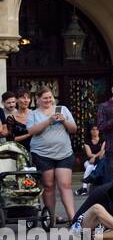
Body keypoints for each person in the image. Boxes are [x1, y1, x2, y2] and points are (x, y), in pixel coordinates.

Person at [28, 87, 78, 224]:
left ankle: (73, 218)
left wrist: (63, 121)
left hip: (64, 153)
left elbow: (74, 129)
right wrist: (48, 121)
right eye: (45, 98)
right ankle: (51, 218)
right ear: (37, 100)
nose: (48, 100)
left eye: (50, 97)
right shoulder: (33, 114)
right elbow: (32, 131)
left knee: (65, 185)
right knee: (49, 185)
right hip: (42, 154)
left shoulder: (62, 109)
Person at [80, 124, 106, 192]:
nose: (95, 131)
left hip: (98, 160)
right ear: (90, 131)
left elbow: (102, 151)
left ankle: (84, 188)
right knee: (89, 166)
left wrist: (94, 156)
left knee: (92, 168)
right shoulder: (87, 141)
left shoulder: (103, 140)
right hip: (89, 160)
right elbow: (89, 154)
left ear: (99, 131)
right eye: (93, 129)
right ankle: (85, 187)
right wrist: (94, 156)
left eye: (96, 129)